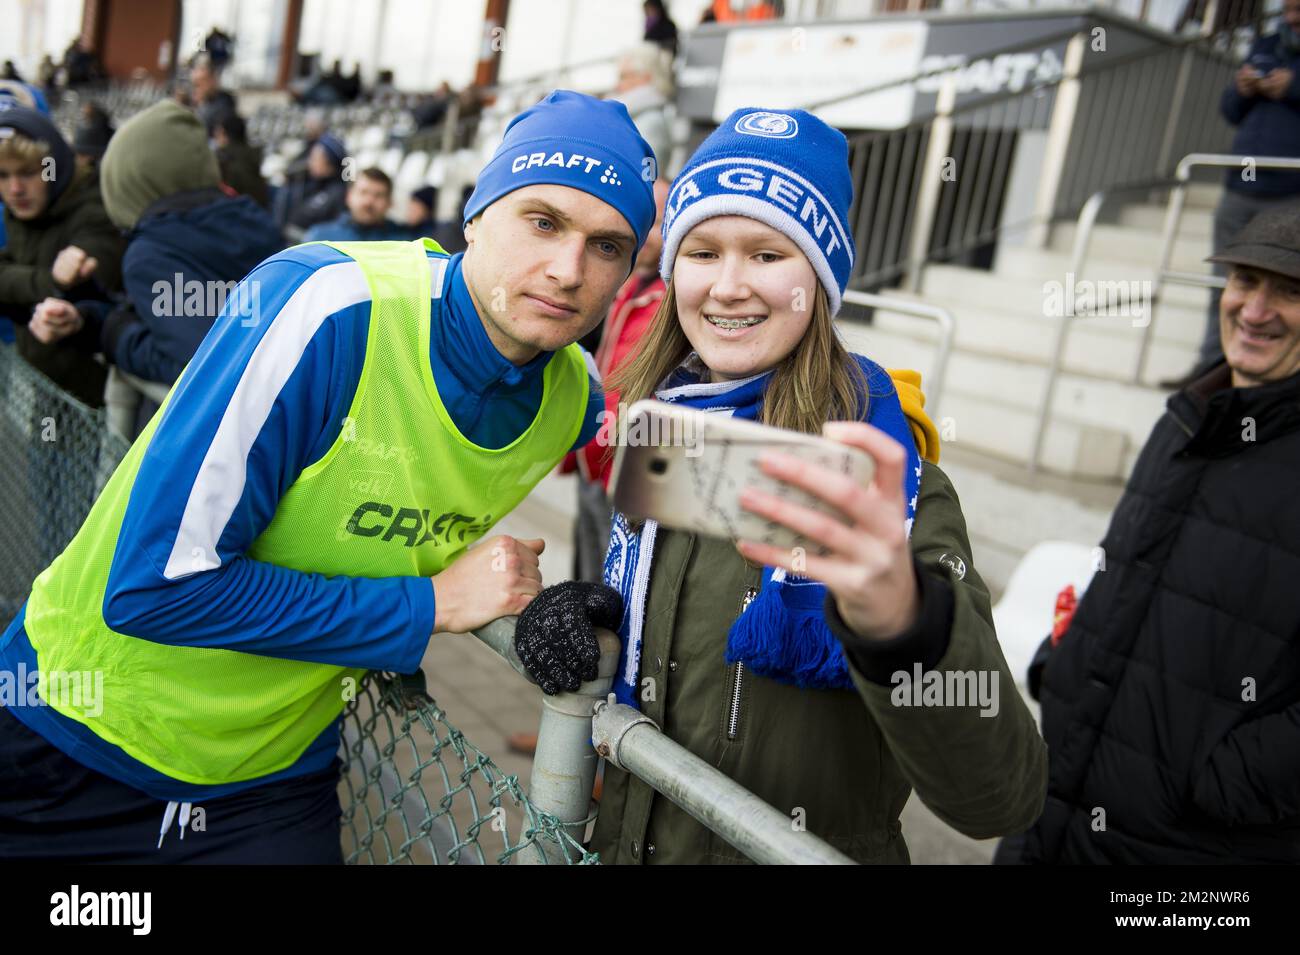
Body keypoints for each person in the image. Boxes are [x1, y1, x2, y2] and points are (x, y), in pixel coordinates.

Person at [0, 89, 656, 863]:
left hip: (269, 774)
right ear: (475, 216)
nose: (568, 268)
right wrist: (429, 604)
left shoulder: (572, 394)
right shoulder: (328, 304)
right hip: (82, 731)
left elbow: (686, 493)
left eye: (608, 245)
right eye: (541, 222)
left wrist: (593, 605)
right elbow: (152, 584)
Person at [515, 107, 1048, 864]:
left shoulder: (881, 483)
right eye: (702, 251)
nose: (728, 286)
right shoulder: (662, 425)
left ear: (820, 278)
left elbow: (999, 796)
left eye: (767, 254)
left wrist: (904, 621)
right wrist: (599, 616)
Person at [1007, 202, 1300, 864]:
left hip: (1186, 852)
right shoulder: (1186, 419)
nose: (1255, 309)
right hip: (1054, 812)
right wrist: (1065, 669)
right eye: (1245, 281)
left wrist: (1225, 780)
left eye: (1289, 290)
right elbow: (1123, 576)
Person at [29, 100, 283, 434]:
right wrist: (92, 311)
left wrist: (111, 333)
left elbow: (196, 362)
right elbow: (193, 318)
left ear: (129, 180)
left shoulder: (150, 253)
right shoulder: (254, 222)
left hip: (194, 442)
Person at [1164, 0, 1300, 387]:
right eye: (1288, 6)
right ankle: (1211, 370)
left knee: (1282, 293)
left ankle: (1276, 379)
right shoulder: (1267, 43)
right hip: (1241, 186)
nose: (1291, 13)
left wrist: (1292, 88)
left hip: (1292, 190)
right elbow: (1230, 110)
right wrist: (1241, 90)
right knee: (1228, 285)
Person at [0, 107, 122, 406]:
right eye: (3, 176)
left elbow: (90, 276)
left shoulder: (92, 210)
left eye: (28, 173)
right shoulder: (26, 214)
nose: (15, 189)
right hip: (49, 388)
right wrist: (49, 281)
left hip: (93, 403)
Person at [610, 43, 675, 176]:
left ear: (644, 77)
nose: (617, 85)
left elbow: (646, 175)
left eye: (623, 76)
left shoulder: (650, 121)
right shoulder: (637, 114)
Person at [304, 167, 409, 242]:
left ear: (390, 202)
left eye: (378, 195)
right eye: (363, 192)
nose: (369, 202)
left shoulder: (403, 244)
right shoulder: (320, 238)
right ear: (349, 196)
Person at [276, 133, 348, 241]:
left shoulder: (338, 194)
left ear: (329, 163)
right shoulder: (309, 184)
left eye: (315, 158)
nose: (310, 162)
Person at [212, 109, 270, 209]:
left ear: (224, 134)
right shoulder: (254, 154)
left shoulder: (221, 158)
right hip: (260, 210)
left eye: (218, 133)